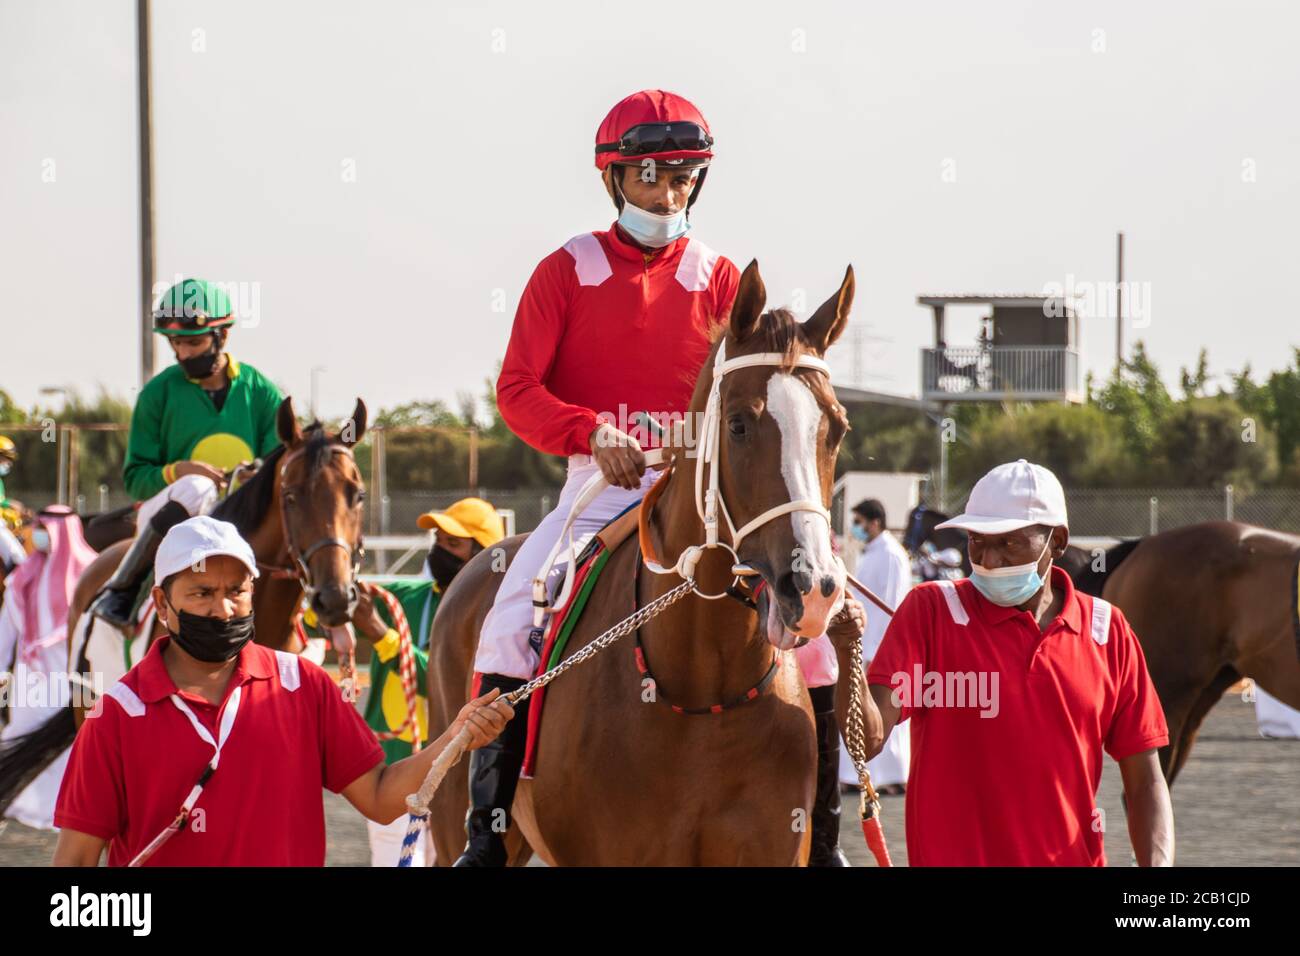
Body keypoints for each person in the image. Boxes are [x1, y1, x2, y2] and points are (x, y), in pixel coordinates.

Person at [466, 89, 848, 867]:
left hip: (706, 496)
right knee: (507, 617)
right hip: (596, 489)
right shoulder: (564, 270)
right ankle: (486, 835)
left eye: (681, 177)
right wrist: (588, 431)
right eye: (648, 176)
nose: (665, 192)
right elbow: (516, 390)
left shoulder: (718, 277)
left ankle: (830, 839)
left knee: (814, 646)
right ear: (615, 180)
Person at [52, 516, 513, 866]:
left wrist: (456, 737)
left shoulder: (303, 684)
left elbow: (379, 796)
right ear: (161, 604)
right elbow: (74, 860)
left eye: (237, 590)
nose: (222, 608)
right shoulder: (116, 714)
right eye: (201, 593)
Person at [864, 459, 1175, 865]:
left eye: (1009, 543)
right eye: (977, 541)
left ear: (1057, 542)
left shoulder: (1107, 630)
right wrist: (845, 648)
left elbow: (1146, 780)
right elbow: (865, 741)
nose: (988, 560)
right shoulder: (931, 612)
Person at [89, 278, 283, 629]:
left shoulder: (262, 392)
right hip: (168, 515)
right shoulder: (157, 394)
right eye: (176, 343)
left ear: (222, 336)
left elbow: (277, 464)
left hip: (240, 517)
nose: (184, 354)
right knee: (197, 487)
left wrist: (255, 473)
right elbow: (135, 480)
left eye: (193, 342)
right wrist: (179, 471)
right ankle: (123, 590)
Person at [349, 498, 505, 866]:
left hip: (463, 778)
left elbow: (450, 684)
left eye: (453, 544)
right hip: (398, 772)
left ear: (483, 555)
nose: (439, 551)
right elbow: (317, 615)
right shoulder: (401, 596)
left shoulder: (499, 617)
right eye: (438, 540)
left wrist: (384, 637)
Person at [0, 506, 98, 829]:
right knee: (23, 735)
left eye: (47, 527)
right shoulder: (22, 576)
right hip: (31, 678)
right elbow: (6, 630)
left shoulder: (90, 573)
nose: (40, 533)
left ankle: (66, 809)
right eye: (38, 526)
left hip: (73, 676)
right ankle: (23, 806)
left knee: (71, 750)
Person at [843, 498, 910, 794]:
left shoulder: (892, 555)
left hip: (881, 647)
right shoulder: (872, 553)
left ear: (875, 522)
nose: (855, 528)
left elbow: (891, 606)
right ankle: (869, 776)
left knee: (886, 710)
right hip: (865, 643)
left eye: (859, 522)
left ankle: (892, 777)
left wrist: (876, 654)